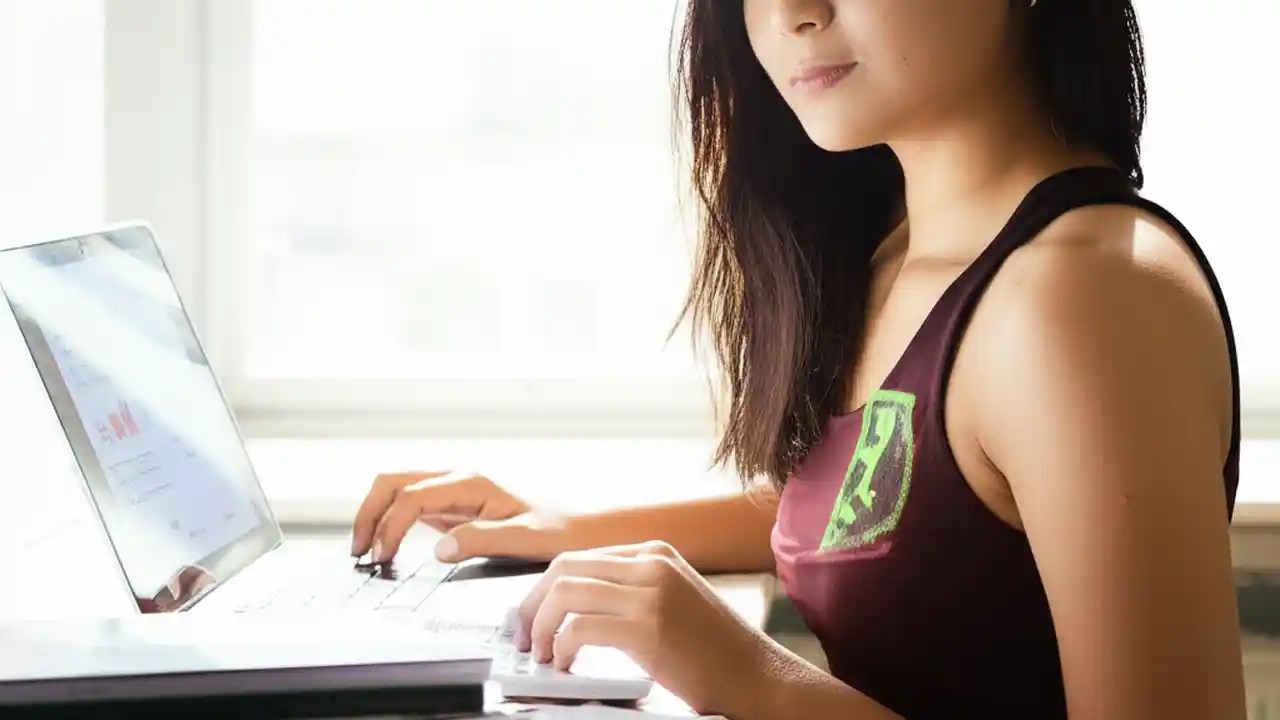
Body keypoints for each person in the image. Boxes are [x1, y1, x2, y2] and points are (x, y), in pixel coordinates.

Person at [351, 1, 1246, 718]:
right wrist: (563, 531)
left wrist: (748, 677)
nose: (789, 13)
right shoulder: (903, 254)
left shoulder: (1081, 298)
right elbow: (896, 514)